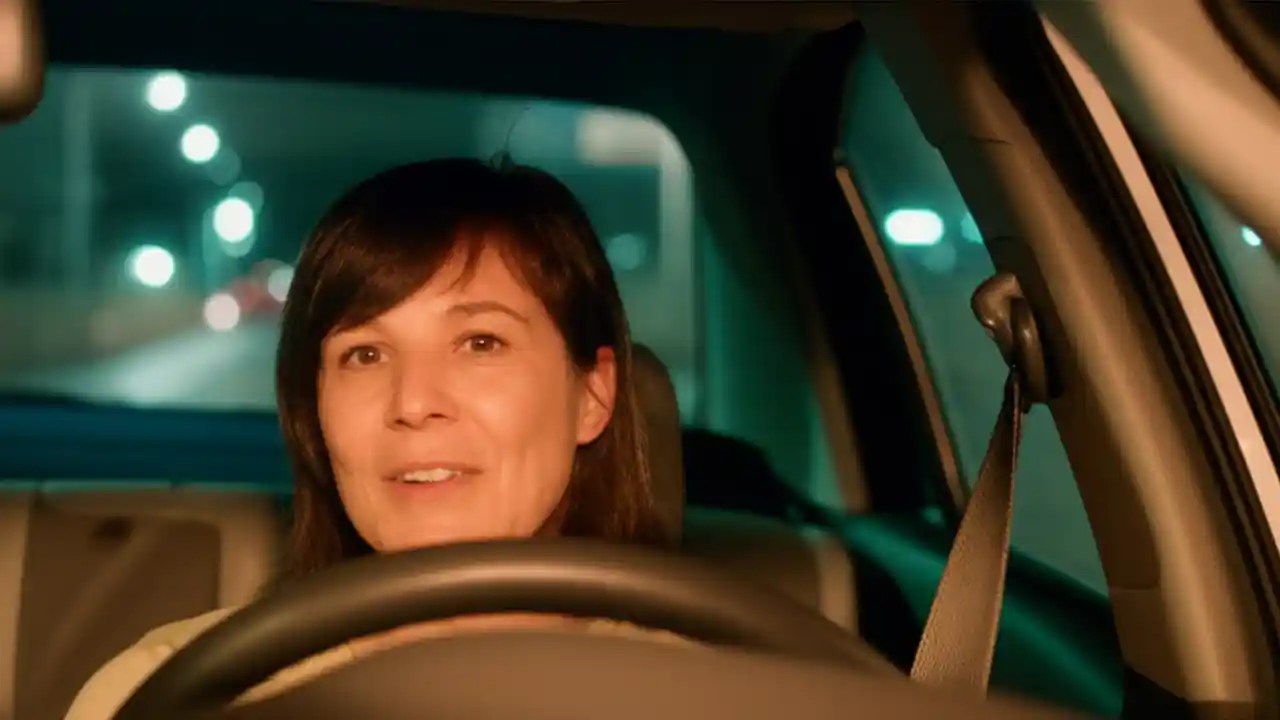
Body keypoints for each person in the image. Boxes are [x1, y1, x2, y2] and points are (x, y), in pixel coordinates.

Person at [65, 158, 679, 718]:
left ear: (593, 396)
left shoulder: (723, 687)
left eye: (480, 344)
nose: (413, 403)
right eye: (364, 354)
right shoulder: (167, 693)